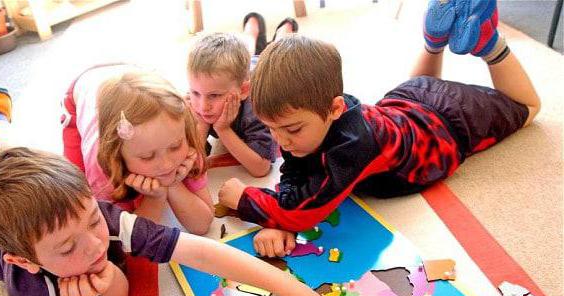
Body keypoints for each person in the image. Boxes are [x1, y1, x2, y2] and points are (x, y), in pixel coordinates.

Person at [217, 0, 540, 258]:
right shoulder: (313, 120)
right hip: (409, 97)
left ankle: (489, 43)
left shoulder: (349, 148)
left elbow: (304, 212)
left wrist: (246, 199)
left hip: (449, 124)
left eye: (291, 129)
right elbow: (297, 174)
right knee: (420, 85)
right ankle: (434, 42)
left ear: (335, 109)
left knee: (527, 107)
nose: (282, 142)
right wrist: (278, 216)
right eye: (272, 130)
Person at [0, 147, 344, 296]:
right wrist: (107, 278)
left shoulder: (107, 222)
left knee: (8, 171)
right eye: (68, 249)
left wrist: (291, 287)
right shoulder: (33, 292)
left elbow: (201, 250)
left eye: (93, 219)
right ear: (28, 261)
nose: (96, 244)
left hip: (37, 212)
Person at [0, 66, 214, 235]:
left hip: (127, 76)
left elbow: (203, 224)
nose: (166, 164)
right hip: (82, 91)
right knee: (56, 182)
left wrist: (172, 184)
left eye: (174, 147)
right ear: (117, 154)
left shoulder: (187, 147)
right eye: (146, 156)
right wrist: (155, 199)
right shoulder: (102, 168)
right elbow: (126, 239)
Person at [185, 14, 298, 177]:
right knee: (247, 51)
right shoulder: (196, 98)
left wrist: (223, 130)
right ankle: (252, 28)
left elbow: (261, 168)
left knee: (281, 53)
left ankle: (284, 29)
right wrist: (201, 125)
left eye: (215, 95)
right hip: (244, 70)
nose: (203, 106)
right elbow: (191, 166)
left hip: (269, 73)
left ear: (243, 91)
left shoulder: (256, 107)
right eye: (195, 93)